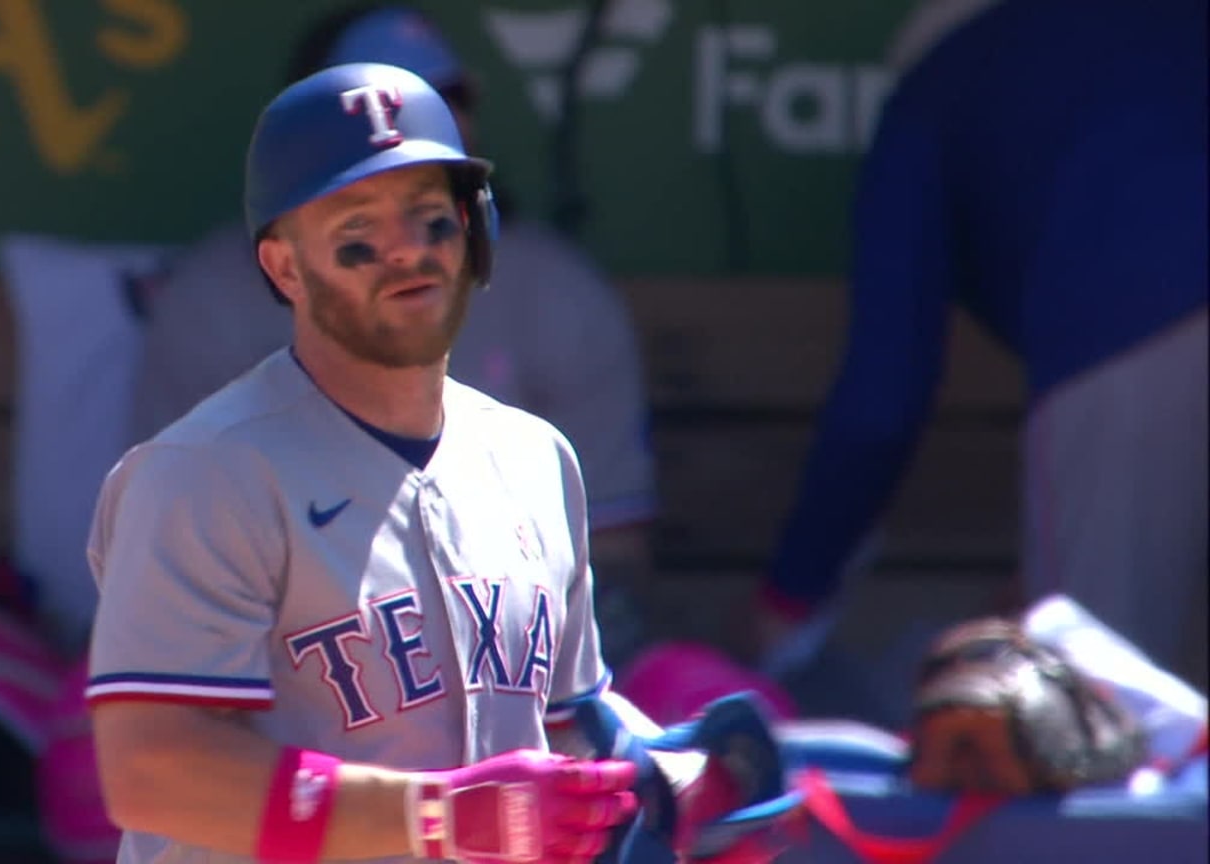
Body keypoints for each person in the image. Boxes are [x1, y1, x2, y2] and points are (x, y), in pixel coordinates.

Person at [85, 62, 788, 864]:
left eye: (430, 218)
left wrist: (668, 789)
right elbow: (155, 771)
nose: (407, 252)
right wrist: (436, 816)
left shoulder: (535, 460)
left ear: (474, 228)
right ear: (284, 267)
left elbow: (567, 727)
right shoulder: (205, 473)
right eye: (358, 229)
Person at [128, 4, 659, 669]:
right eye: (369, 115)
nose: (402, 132)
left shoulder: (555, 312)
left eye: (443, 97)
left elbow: (611, 562)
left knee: (693, 708)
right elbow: (177, 568)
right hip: (283, 673)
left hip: (508, 658)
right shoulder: (214, 300)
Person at [752, 0, 1208, 678]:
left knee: (1103, 704)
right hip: (1142, 336)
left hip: (1132, 334)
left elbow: (882, 400)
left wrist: (787, 601)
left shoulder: (936, 87)